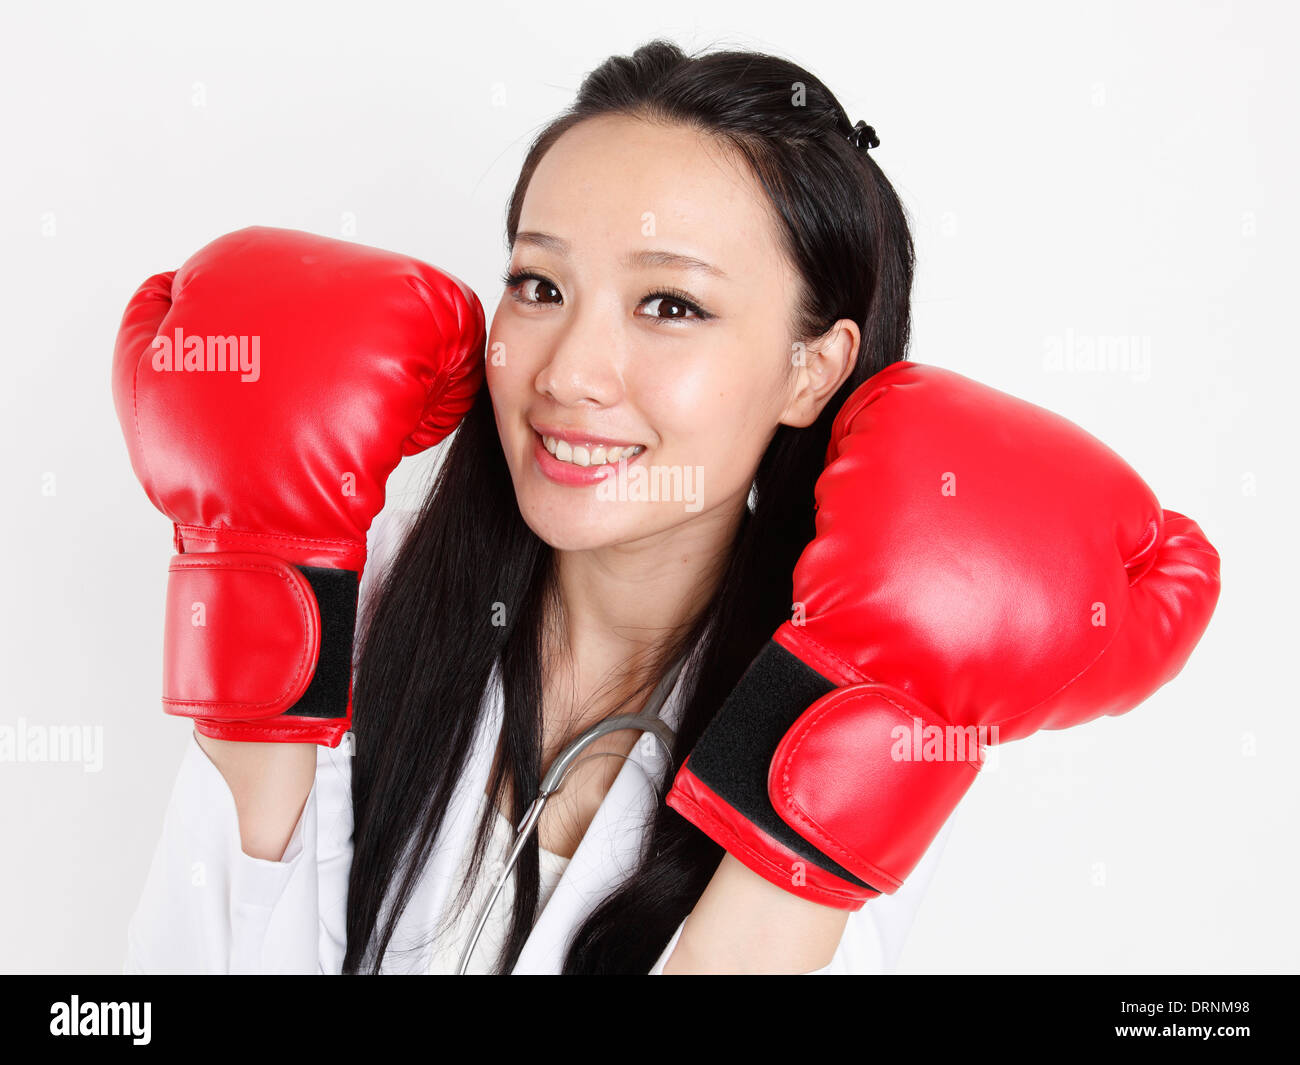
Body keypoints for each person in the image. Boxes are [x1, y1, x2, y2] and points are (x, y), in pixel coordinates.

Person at [117, 39, 1219, 975]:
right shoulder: (359, 586)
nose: (571, 372)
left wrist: (832, 790)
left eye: (670, 304)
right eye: (540, 286)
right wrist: (256, 587)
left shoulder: (883, 701)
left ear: (811, 370)